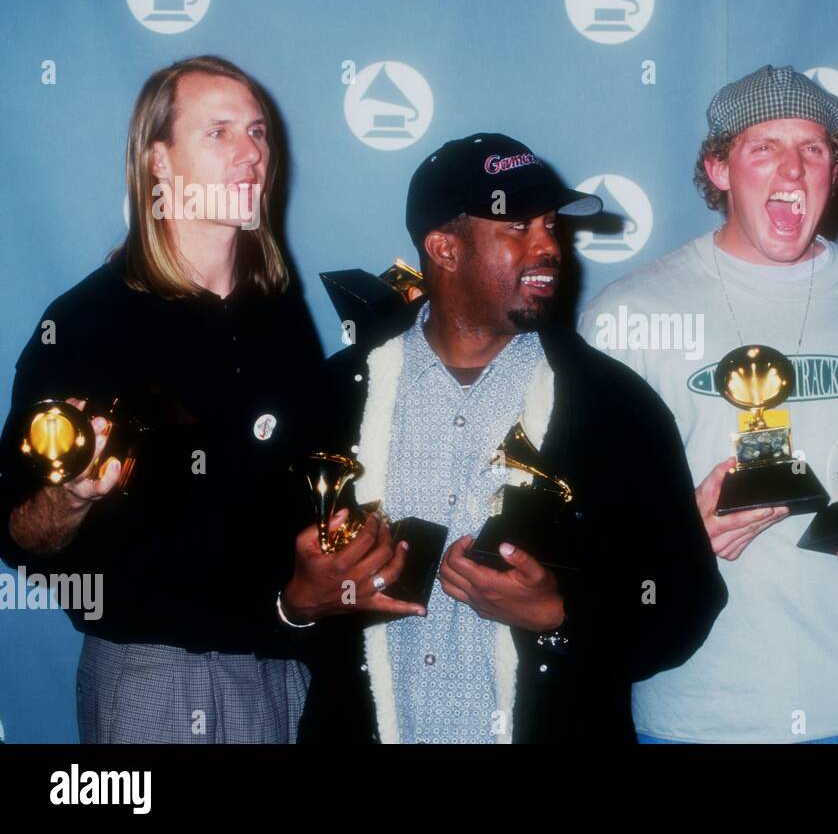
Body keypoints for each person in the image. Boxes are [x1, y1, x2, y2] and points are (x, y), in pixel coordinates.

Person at [284, 132, 727, 743]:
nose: (549, 246)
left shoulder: (616, 406)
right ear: (444, 248)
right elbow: (247, 584)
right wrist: (298, 603)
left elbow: (683, 604)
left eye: (549, 225)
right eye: (516, 226)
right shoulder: (330, 396)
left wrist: (559, 616)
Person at [578, 65, 838, 743]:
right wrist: (670, 543)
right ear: (717, 167)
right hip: (695, 711)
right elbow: (584, 538)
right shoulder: (628, 313)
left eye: (814, 149)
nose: (792, 171)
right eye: (764, 147)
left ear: (837, 168)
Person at [0, 55, 324, 743]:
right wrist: (72, 495)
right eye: (220, 132)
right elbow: (16, 530)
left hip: (289, 671)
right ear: (160, 162)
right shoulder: (86, 324)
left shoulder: (282, 317)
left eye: (259, 131)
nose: (251, 152)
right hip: (159, 680)